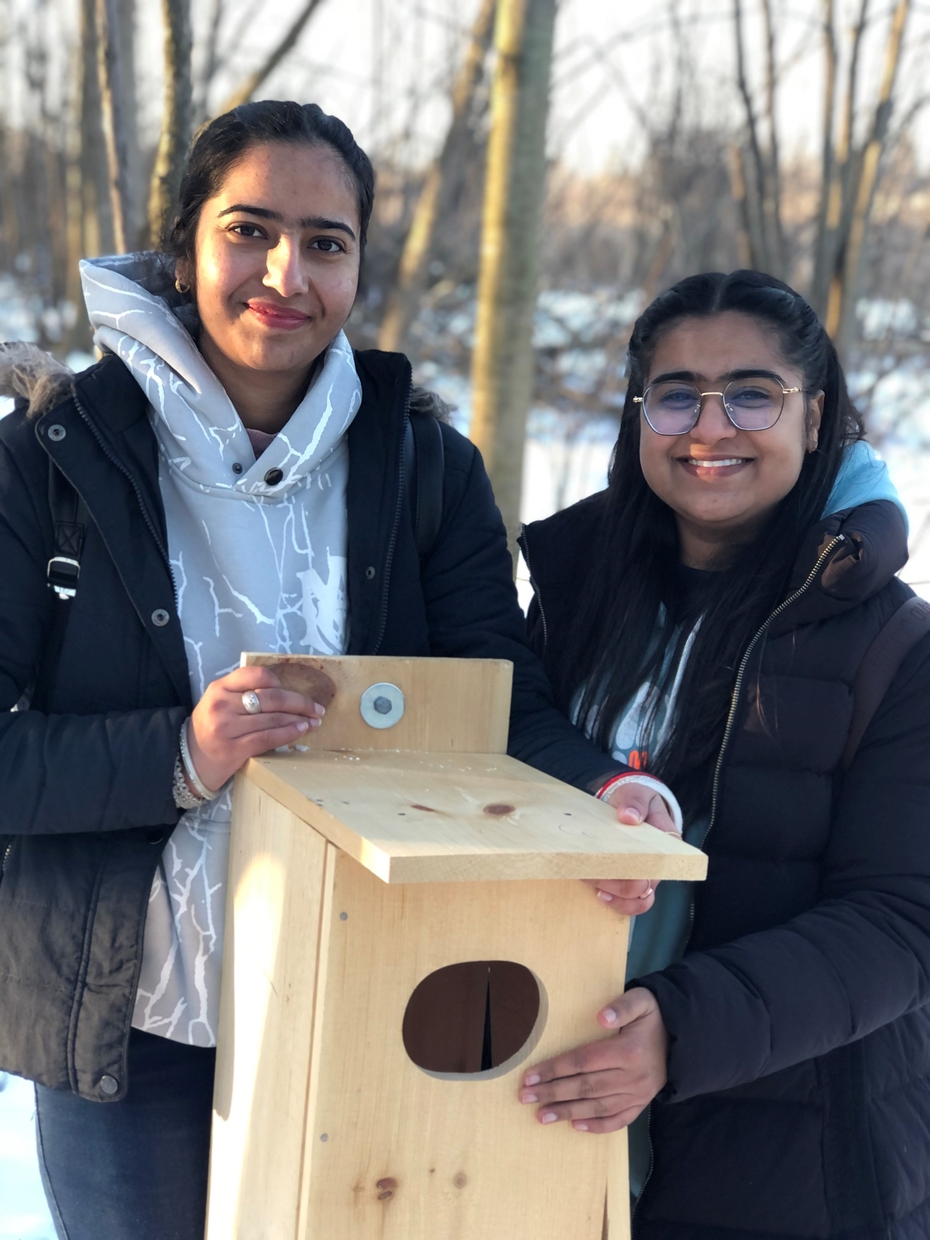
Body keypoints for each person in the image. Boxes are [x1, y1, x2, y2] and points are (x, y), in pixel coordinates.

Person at [0, 101, 677, 1240]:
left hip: (373, 1006)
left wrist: (599, 796)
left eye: (325, 241)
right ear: (183, 250)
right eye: (248, 229)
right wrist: (182, 752)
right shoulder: (48, 461)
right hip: (129, 1021)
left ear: (360, 262)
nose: (285, 272)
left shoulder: (423, 466)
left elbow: (496, 699)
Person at [517, 270, 930, 1239]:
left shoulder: (894, 647)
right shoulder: (575, 600)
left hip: (792, 1163)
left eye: (752, 392)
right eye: (676, 394)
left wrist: (681, 1028)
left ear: (816, 413)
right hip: (548, 1117)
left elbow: (901, 925)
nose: (710, 426)